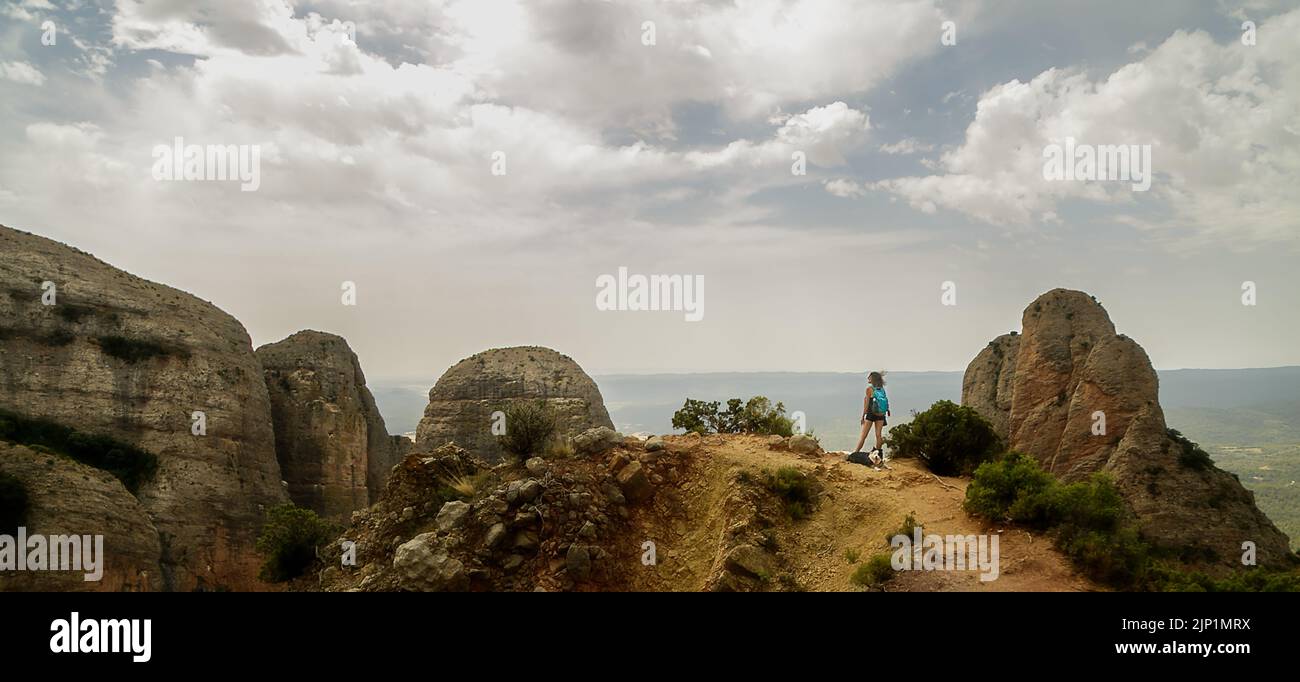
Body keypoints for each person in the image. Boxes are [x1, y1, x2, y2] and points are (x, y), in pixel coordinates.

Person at [853, 371, 890, 465]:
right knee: (878, 435)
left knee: (863, 436)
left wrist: (863, 416)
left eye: (869, 377)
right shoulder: (881, 389)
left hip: (871, 414)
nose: (868, 379)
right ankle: (879, 455)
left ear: (872, 379)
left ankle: (855, 453)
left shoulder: (869, 389)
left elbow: (866, 404)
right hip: (881, 415)